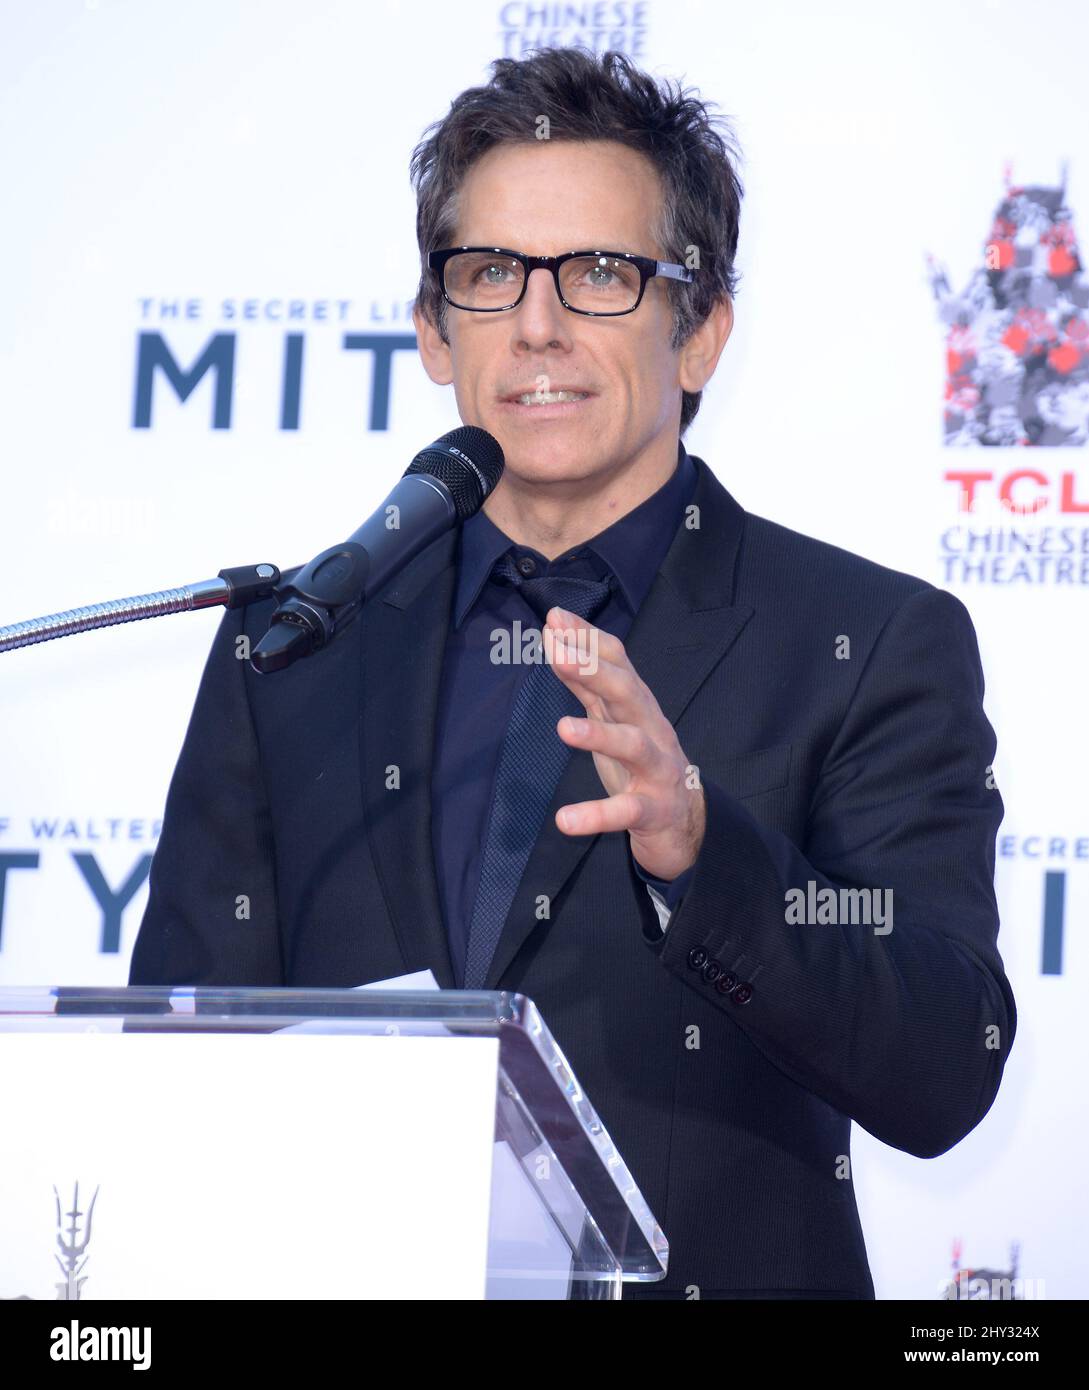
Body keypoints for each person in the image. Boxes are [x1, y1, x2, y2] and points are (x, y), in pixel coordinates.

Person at [129, 46, 1017, 1299]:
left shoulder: (867, 643)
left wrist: (706, 854)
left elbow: (946, 1064)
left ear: (700, 330)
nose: (536, 323)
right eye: (489, 275)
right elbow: (175, 1063)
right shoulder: (297, 643)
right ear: (433, 331)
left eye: (599, 274)